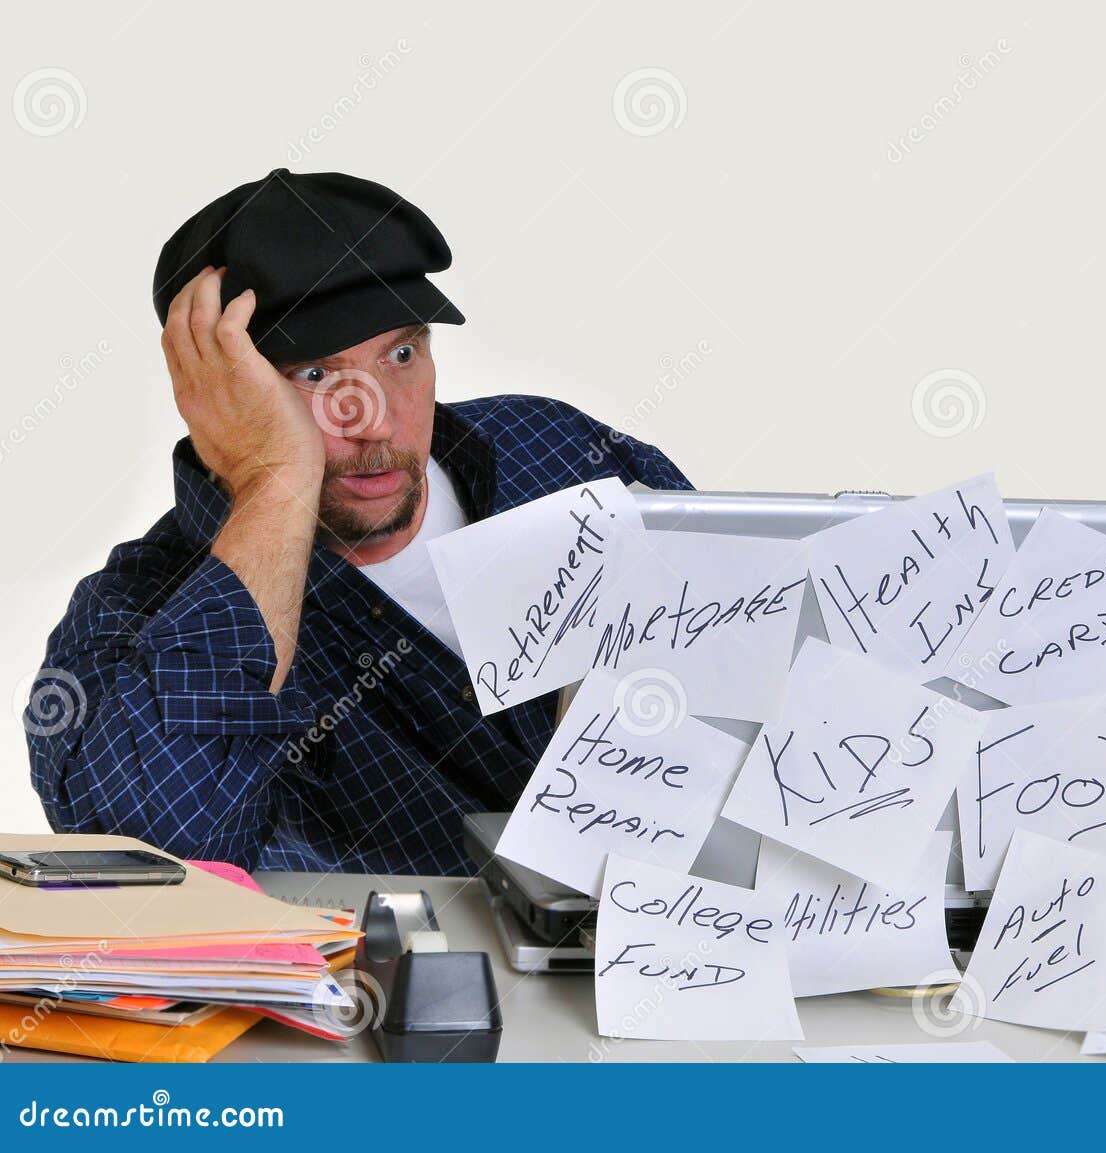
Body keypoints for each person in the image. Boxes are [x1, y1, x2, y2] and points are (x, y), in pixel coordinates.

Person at [26, 169, 690, 874]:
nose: (374, 419)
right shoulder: (129, 618)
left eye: (400, 355)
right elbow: (163, 871)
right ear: (212, 394)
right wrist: (275, 480)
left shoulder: (562, 455)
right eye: (312, 374)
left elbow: (754, 671)